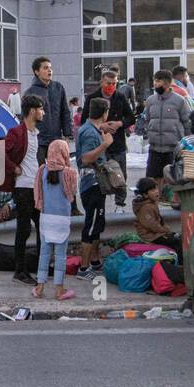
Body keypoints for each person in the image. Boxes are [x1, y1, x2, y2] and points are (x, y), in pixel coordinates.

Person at [2, 94, 44, 285]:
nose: (43, 112)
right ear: (33, 110)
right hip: (23, 187)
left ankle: (39, 266)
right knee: (24, 229)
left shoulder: (36, 133)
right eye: (40, 108)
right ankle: (20, 271)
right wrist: (14, 168)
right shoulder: (17, 132)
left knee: (42, 228)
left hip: (35, 187)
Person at [81, 66, 134, 207]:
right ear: (102, 83)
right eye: (108, 83)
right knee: (101, 177)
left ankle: (120, 204)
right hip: (99, 144)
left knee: (120, 176)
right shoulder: (92, 98)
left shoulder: (120, 97)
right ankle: (100, 206)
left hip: (117, 143)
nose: (111, 86)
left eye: (114, 83)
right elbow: (83, 119)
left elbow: (131, 118)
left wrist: (120, 123)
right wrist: (100, 126)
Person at [32, 138, 77, 301]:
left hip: (45, 217)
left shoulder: (42, 170)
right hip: (62, 219)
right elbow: (73, 193)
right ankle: (59, 289)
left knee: (44, 253)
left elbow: (38, 193)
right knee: (60, 255)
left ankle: (39, 287)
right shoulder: (69, 172)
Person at [74, 97, 113, 280]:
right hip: (92, 183)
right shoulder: (90, 133)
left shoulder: (92, 129)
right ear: (104, 113)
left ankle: (95, 261)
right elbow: (85, 159)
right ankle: (83, 268)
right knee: (91, 225)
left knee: (98, 223)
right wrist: (104, 144)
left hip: (95, 183)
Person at [141, 69, 192, 189]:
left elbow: (187, 123)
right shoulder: (150, 101)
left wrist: (187, 143)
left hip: (172, 148)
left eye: (158, 81)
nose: (155, 84)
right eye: (155, 81)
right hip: (155, 148)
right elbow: (147, 120)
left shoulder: (180, 101)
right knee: (153, 179)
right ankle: (156, 202)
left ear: (168, 83)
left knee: (172, 179)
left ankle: (171, 202)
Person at [24, 56, 71, 164]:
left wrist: (67, 135)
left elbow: (65, 112)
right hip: (39, 141)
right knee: (40, 172)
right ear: (37, 72)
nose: (49, 70)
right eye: (45, 68)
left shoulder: (58, 87)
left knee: (57, 173)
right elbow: (26, 119)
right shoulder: (30, 92)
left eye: (50, 68)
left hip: (56, 139)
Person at [132, 178, 175, 246]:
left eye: (156, 189)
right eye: (152, 190)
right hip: (150, 237)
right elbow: (152, 225)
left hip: (155, 234)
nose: (156, 192)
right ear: (145, 195)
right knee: (175, 242)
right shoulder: (145, 207)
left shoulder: (151, 204)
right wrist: (165, 230)